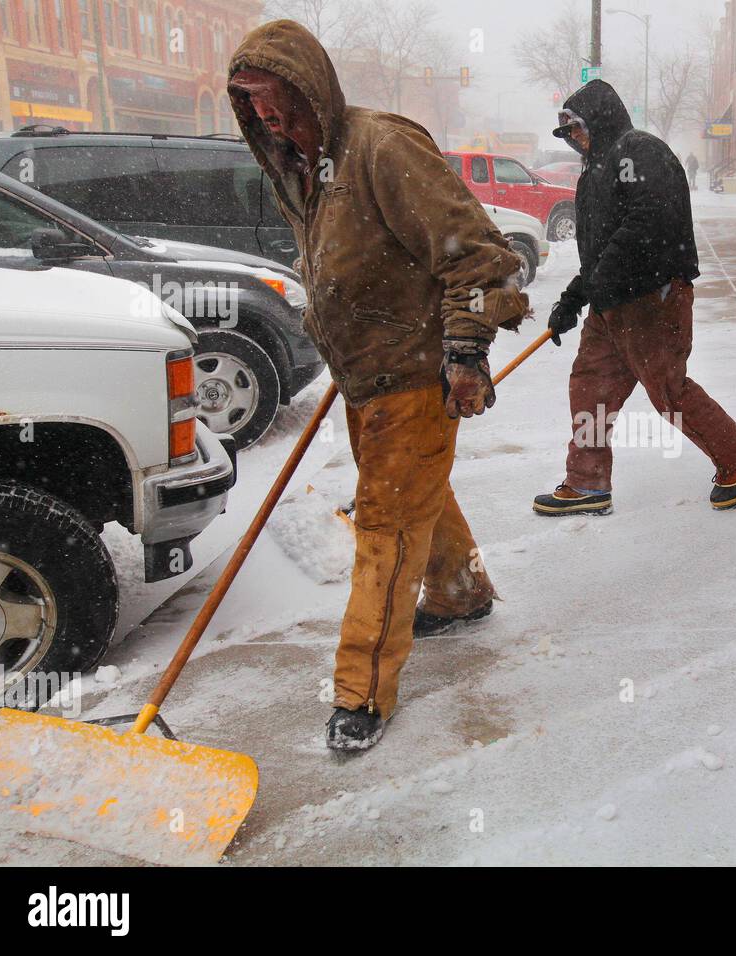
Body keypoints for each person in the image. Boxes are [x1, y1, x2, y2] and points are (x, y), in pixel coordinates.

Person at [228, 20, 530, 751]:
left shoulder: (381, 147)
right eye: (258, 111)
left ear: (316, 90)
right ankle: (459, 592)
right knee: (417, 493)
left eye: (286, 106)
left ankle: (362, 690)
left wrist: (464, 353)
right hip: (364, 376)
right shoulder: (297, 167)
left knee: (385, 528)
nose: (275, 122)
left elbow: (479, 258)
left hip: (413, 374)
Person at [537, 79, 736, 516]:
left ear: (596, 118)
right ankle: (587, 482)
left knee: (668, 393)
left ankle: (735, 459)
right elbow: (597, 252)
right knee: (590, 389)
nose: (576, 140)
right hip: (609, 306)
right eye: (569, 134)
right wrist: (572, 300)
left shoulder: (639, 151)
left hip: (652, 299)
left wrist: (604, 278)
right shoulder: (592, 173)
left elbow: (648, 221)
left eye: (578, 129)